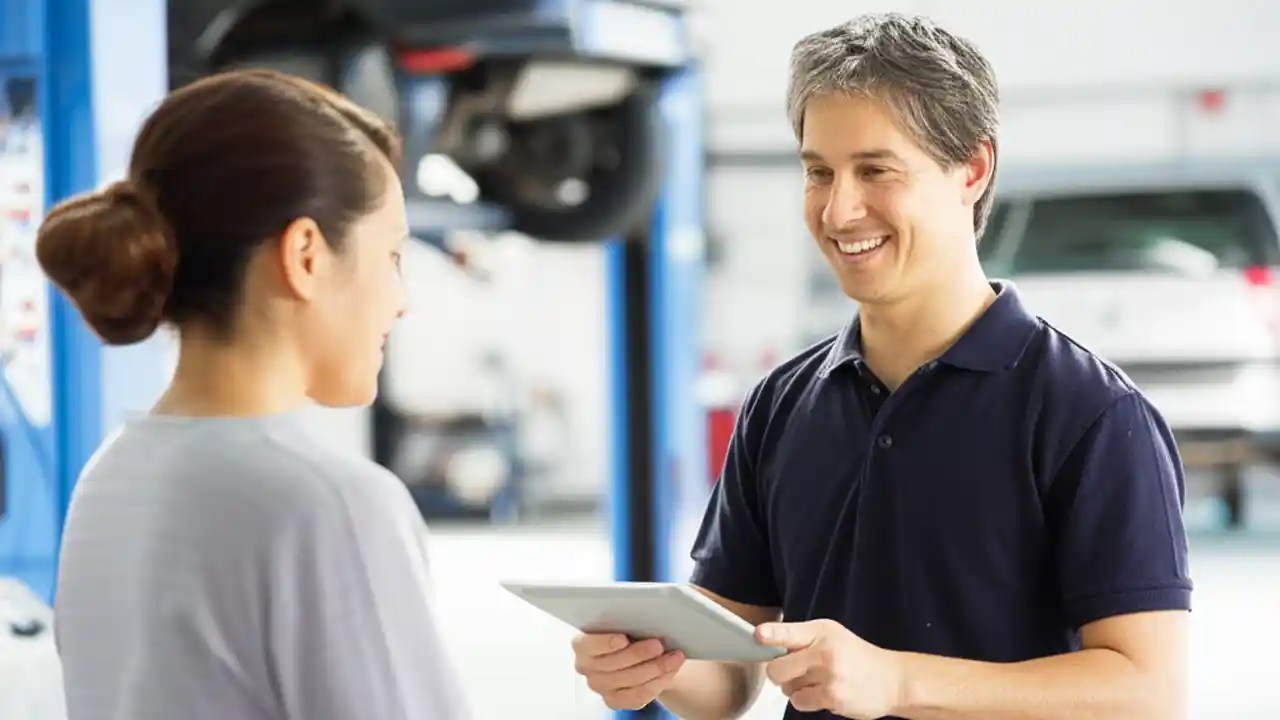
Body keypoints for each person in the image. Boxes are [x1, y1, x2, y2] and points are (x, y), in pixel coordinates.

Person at [571, 13, 1192, 720]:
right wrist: (652, 668)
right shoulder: (781, 404)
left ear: (973, 168)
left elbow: (1148, 692)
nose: (839, 209)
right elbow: (729, 678)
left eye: (875, 170)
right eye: (818, 173)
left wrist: (897, 682)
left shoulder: (1090, 414)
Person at [37, 68, 468, 720]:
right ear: (305, 255)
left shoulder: (110, 480)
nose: (400, 302)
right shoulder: (328, 504)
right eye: (392, 257)